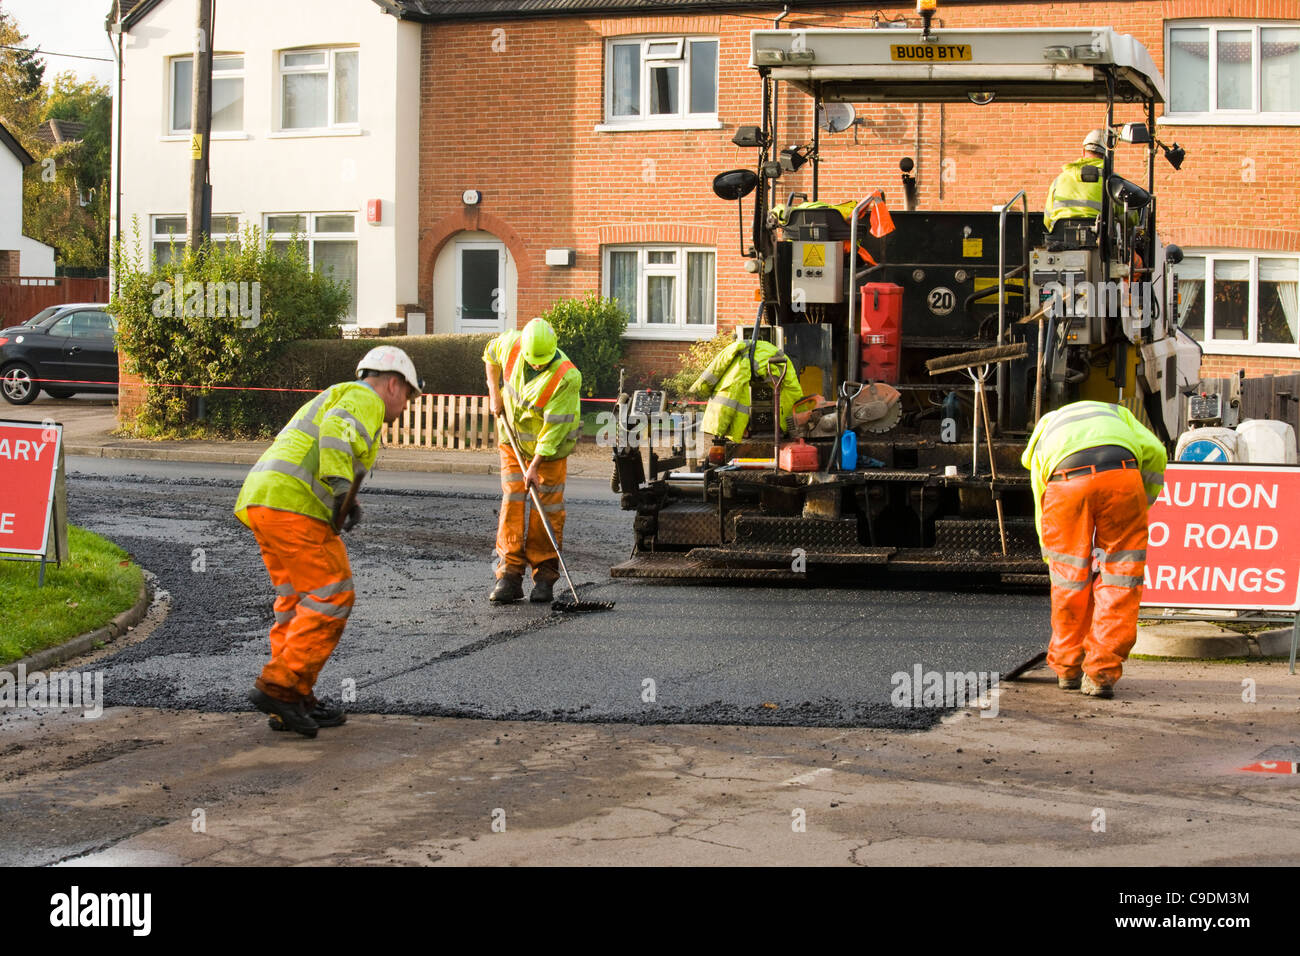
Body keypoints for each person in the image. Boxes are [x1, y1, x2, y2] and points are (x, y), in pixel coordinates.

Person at [234, 345, 422, 736]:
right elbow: (337, 435)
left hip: (265, 501)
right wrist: (340, 487)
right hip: (294, 507)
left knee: (296, 601)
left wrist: (346, 499)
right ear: (392, 384)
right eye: (408, 395)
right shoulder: (364, 397)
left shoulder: (339, 394)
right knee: (333, 594)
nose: (406, 406)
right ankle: (282, 687)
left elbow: (329, 438)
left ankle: (292, 698)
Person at [1021, 400, 1167, 699]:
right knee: (1121, 579)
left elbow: (1041, 498)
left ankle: (1067, 669)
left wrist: (1048, 551)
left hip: (1065, 481)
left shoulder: (1045, 434)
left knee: (1068, 579)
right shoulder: (1119, 414)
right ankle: (1101, 674)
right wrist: (1143, 501)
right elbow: (1157, 452)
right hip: (1122, 475)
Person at [484, 317, 582, 604]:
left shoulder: (566, 377)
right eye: (533, 360)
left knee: (546, 508)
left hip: (549, 451)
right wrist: (494, 394)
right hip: (512, 440)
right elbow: (490, 356)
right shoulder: (511, 345)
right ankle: (509, 576)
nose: (537, 364)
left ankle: (545, 577)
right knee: (513, 500)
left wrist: (535, 466)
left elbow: (553, 430)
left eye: (543, 360)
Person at [690, 335, 802, 446]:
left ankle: (726, 428)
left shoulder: (739, 358)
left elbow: (717, 370)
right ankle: (727, 428)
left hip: (768, 365)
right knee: (733, 395)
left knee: (733, 395)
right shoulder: (744, 361)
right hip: (771, 366)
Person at [1043, 129, 1107, 235]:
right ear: (1106, 155)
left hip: (1059, 237)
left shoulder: (1059, 179)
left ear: (1083, 152)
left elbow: (1047, 219)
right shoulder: (1111, 180)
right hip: (1098, 240)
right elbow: (1127, 218)